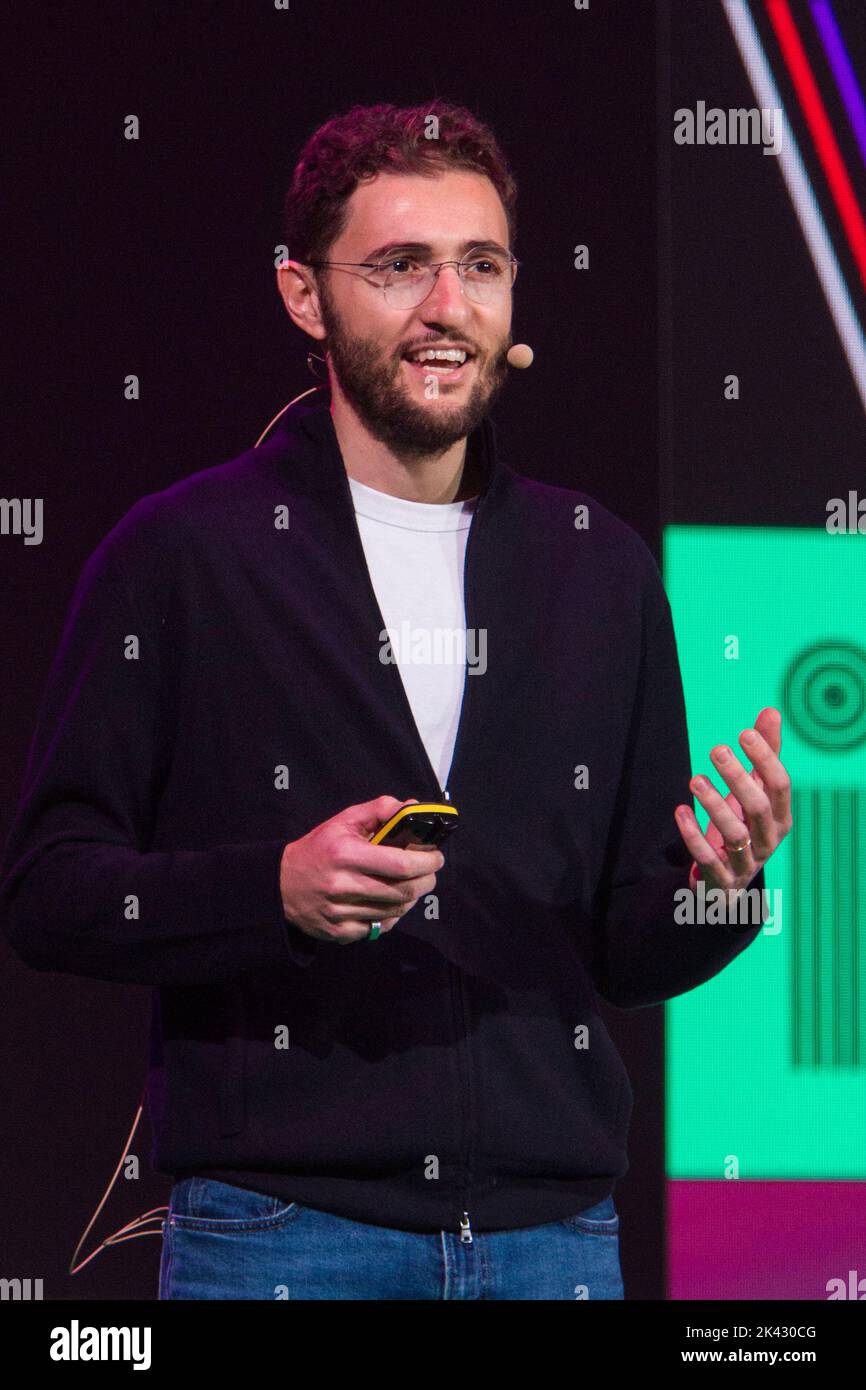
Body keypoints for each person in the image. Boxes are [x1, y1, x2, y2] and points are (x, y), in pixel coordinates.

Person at [0, 101, 792, 1301]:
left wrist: (717, 892)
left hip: (553, 1244)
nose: (445, 305)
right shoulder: (183, 556)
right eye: (399, 265)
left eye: (479, 265)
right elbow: (49, 888)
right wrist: (269, 891)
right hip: (279, 1236)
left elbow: (624, 950)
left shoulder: (599, 567)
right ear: (303, 296)